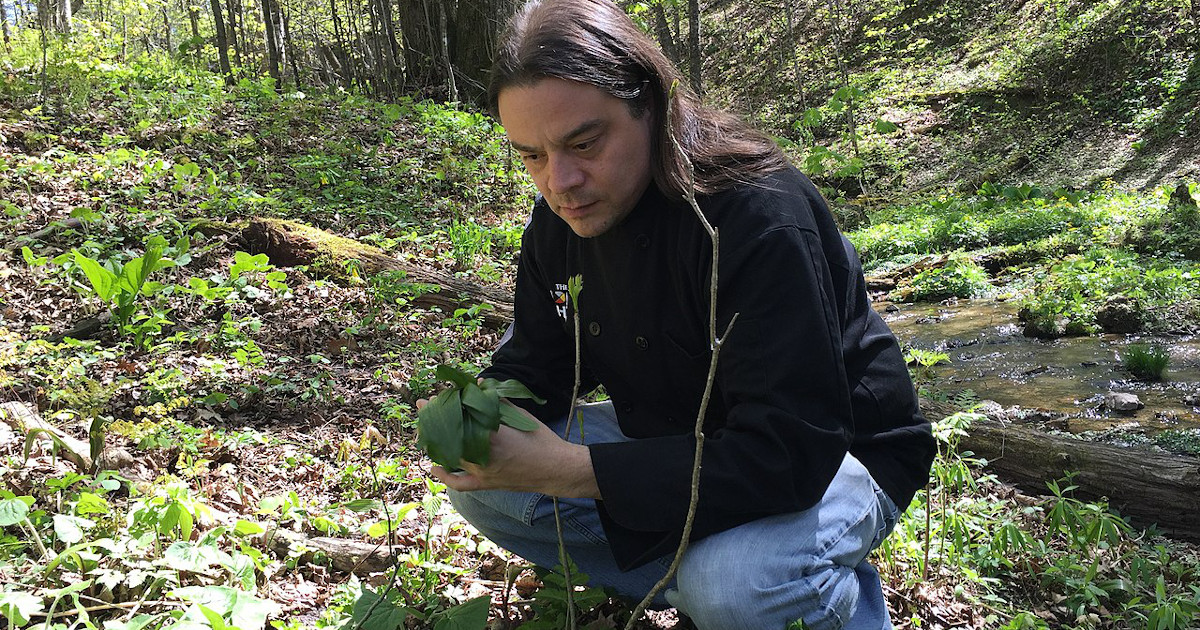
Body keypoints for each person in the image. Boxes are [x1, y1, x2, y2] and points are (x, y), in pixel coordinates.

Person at [421, 1, 937, 628]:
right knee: (486, 485)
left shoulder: (755, 216)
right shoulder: (560, 223)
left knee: (733, 585)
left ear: (652, 103)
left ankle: (771, 584)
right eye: (530, 155)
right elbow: (537, 361)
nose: (560, 182)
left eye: (584, 143)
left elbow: (793, 448)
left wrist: (577, 473)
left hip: (839, 450)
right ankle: (722, 580)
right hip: (676, 434)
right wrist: (475, 411)